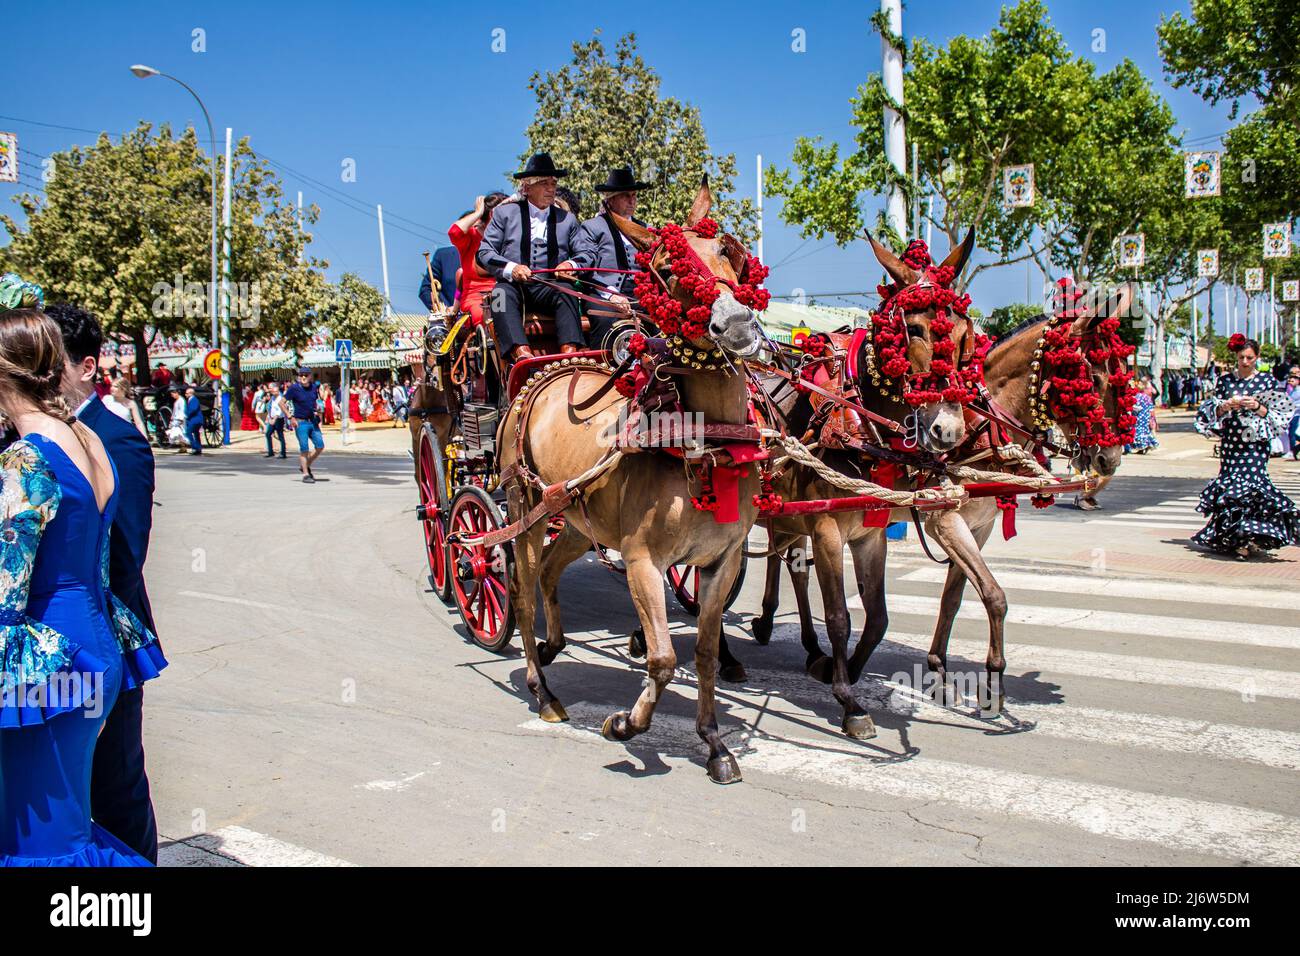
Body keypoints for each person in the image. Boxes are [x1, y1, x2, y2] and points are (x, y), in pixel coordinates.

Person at [0, 278, 164, 866]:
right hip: (95, 642)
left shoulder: (27, 456)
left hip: (44, 653)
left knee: (39, 837)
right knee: (69, 822)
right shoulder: (88, 436)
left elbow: (6, 587)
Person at [1191, 336, 1300, 559]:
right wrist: (1225, 406)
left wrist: (1257, 406)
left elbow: (1277, 414)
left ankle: (1251, 536)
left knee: (1252, 486)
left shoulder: (1266, 381)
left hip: (1255, 442)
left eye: (1249, 357)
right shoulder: (1225, 381)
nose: (1245, 361)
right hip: (1232, 441)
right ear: (1236, 357)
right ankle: (1237, 537)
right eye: (1241, 357)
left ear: (1256, 358)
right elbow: (1213, 412)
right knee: (1232, 487)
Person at [476, 153, 589, 363]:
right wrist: (512, 268)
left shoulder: (568, 220)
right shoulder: (505, 214)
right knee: (498, 295)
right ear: (527, 187)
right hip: (513, 286)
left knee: (568, 292)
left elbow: (587, 254)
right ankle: (521, 354)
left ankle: (570, 354)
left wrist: (570, 264)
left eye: (553, 183)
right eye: (544, 183)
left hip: (551, 286)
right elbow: (484, 253)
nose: (551, 188)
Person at [574, 165, 654, 351]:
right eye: (626, 195)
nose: (632, 200)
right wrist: (612, 295)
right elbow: (587, 266)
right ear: (611, 198)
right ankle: (601, 369)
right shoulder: (592, 226)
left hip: (639, 292)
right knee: (604, 318)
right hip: (603, 291)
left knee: (661, 317)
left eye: (634, 195)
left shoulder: (644, 228)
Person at [448, 192, 509, 328]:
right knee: (494, 315)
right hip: (477, 299)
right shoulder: (471, 237)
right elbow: (454, 232)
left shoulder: (512, 236)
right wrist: (478, 212)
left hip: (507, 292)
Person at [285, 367, 324, 483]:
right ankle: (306, 474)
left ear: (310, 376)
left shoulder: (313, 388)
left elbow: (314, 403)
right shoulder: (294, 388)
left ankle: (304, 466)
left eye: (306, 375)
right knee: (304, 449)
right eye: (301, 375)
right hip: (300, 422)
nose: (303, 377)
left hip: (312, 421)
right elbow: (282, 403)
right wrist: (290, 417)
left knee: (320, 446)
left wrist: (318, 410)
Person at [418, 246, 461, 313]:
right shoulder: (444, 255)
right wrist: (444, 310)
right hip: (451, 320)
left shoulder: (481, 256)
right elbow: (426, 289)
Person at [1126, 376, 1159, 454]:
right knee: (1145, 431)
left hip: (1138, 417)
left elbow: (1134, 407)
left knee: (1138, 432)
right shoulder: (1147, 397)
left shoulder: (1136, 397)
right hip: (1146, 417)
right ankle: (1146, 445)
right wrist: (1153, 417)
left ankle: (1141, 447)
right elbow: (1151, 408)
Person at [263, 380, 287, 459]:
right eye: (269, 388)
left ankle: (283, 453)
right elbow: (271, 409)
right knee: (268, 433)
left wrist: (274, 419)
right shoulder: (272, 397)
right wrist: (269, 417)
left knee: (280, 435)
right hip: (272, 418)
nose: (270, 390)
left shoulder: (280, 397)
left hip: (279, 419)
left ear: (276, 388)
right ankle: (270, 452)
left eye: (271, 388)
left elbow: (279, 411)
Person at [183, 385, 203, 455]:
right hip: (196, 419)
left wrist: (186, 415)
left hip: (195, 420)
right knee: (196, 434)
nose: (185, 395)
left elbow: (193, 409)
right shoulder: (191, 399)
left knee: (188, 433)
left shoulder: (193, 399)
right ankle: (198, 448)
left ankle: (195, 447)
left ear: (190, 393)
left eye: (186, 393)